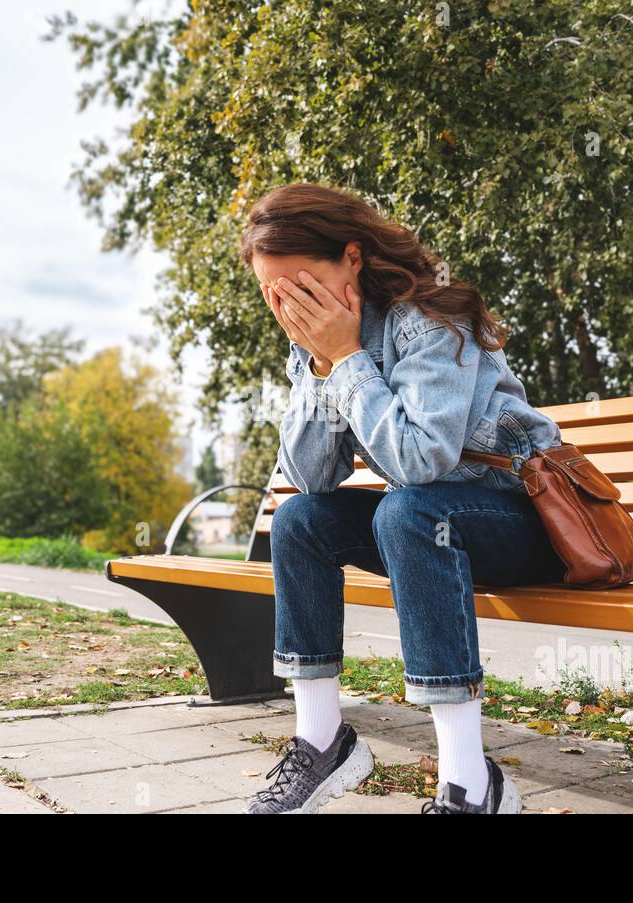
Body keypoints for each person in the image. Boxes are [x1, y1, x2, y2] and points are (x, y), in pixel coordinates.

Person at [238, 183, 567, 814]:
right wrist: (321, 363)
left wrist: (348, 359)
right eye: (274, 294)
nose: (290, 307)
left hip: (520, 524)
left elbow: (420, 463)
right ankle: (322, 741)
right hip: (432, 524)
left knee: (408, 508)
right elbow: (311, 478)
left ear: (352, 258)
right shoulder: (316, 346)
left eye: (301, 286)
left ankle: (471, 784)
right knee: (301, 519)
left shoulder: (432, 318)